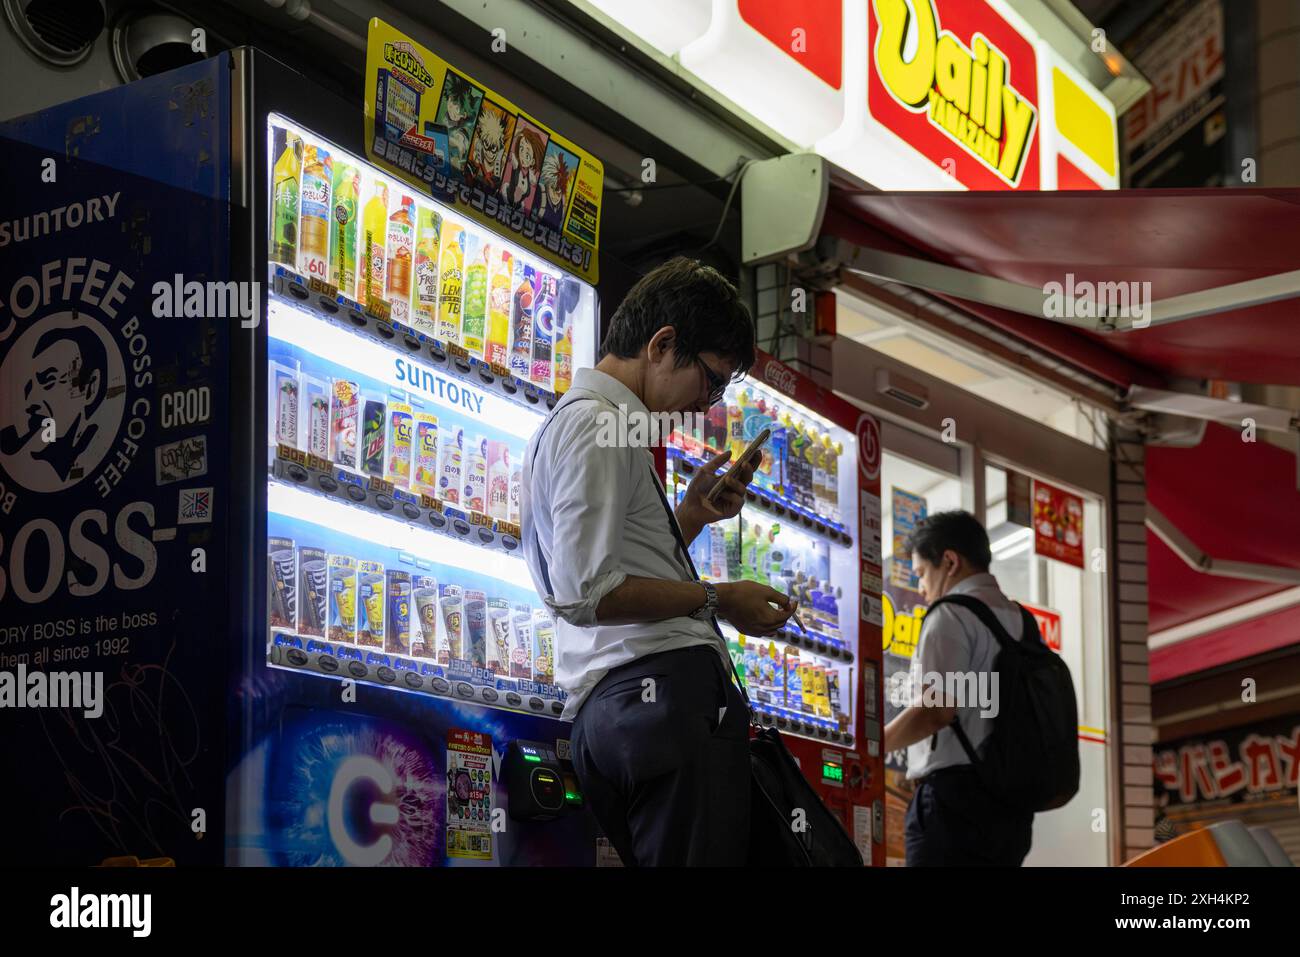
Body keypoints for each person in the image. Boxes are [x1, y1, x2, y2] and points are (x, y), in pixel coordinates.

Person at [521, 256, 798, 866]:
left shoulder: (582, 425)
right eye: (711, 379)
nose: (707, 402)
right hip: (663, 701)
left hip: (622, 713)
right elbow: (587, 591)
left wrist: (691, 516)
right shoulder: (599, 425)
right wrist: (720, 598)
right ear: (663, 344)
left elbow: (604, 564)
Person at [883, 510, 1035, 866]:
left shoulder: (949, 615)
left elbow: (936, 710)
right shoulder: (1020, 619)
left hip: (954, 805)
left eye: (921, 573)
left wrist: (875, 746)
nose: (920, 588)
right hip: (1011, 806)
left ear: (950, 561)